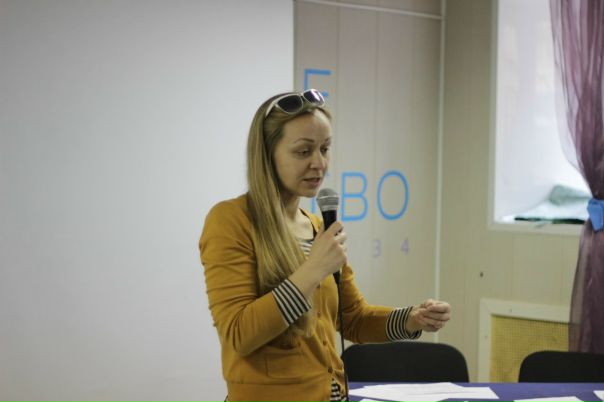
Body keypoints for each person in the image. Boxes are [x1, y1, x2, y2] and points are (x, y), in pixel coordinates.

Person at [199, 89, 452, 402]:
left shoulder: (318, 227)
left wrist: (412, 319)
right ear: (267, 154)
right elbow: (239, 334)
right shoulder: (231, 220)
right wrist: (315, 268)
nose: (319, 163)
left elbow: (354, 318)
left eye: (325, 148)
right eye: (303, 151)